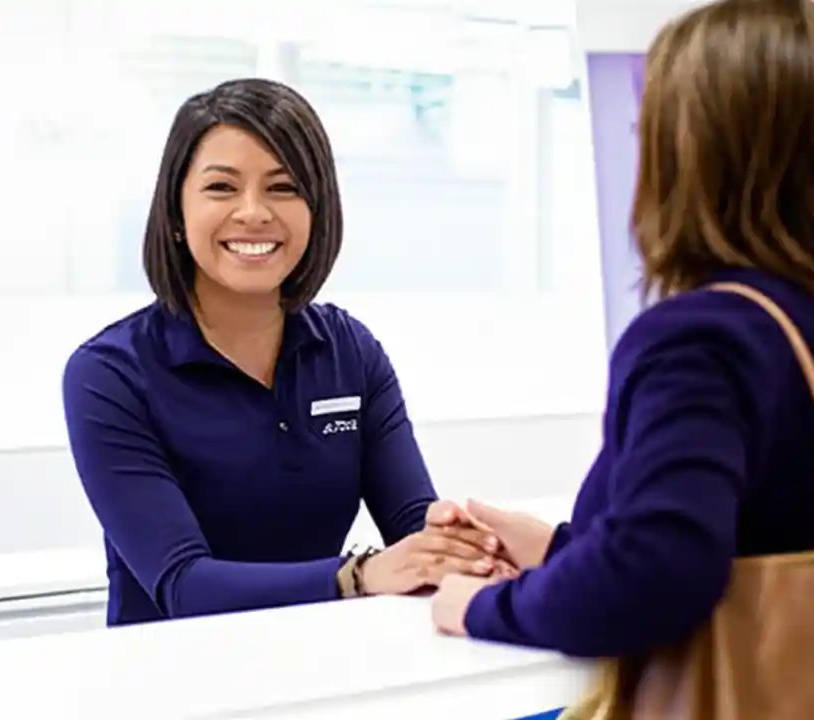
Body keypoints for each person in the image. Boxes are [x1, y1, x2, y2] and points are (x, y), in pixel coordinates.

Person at [430, 0, 814, 657]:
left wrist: (482, 606)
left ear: (692, 157)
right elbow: (757, 529)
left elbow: (652, 574)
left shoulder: (703, 339)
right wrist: (560, 550)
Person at [62, 78, 508, 626]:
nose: (253, 213)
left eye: (284, 187)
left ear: (318, 208)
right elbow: (183, 585)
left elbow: (412, 522)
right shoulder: (109, 374)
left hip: (322, 671)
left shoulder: (351, 351)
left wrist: (456, 547)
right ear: (176, 215)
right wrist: (358, 575)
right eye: (222, 188)